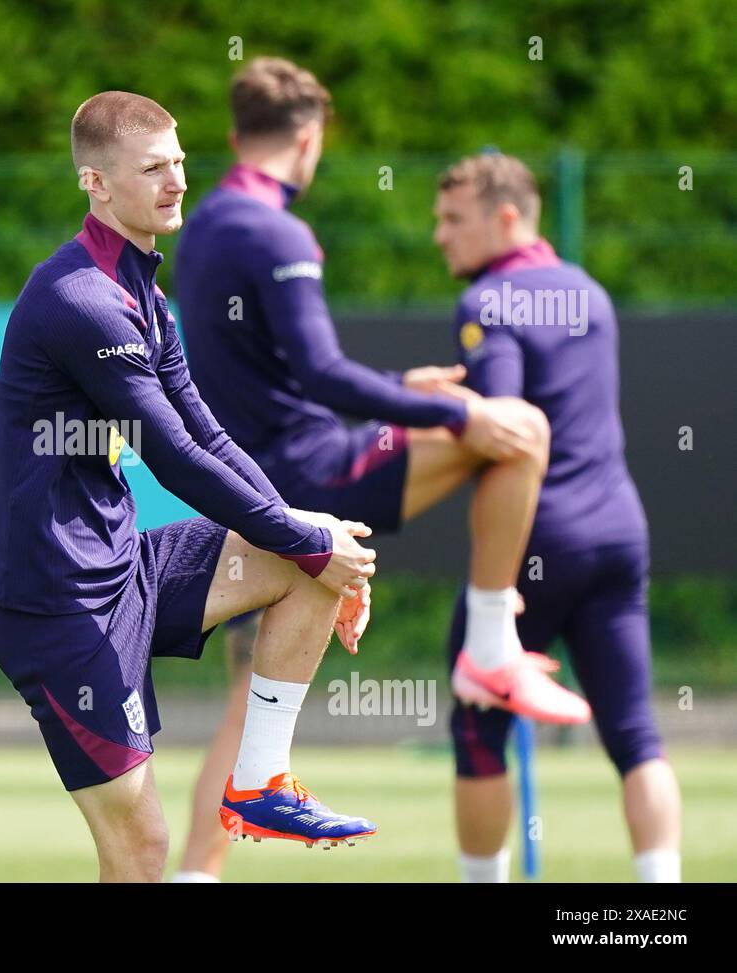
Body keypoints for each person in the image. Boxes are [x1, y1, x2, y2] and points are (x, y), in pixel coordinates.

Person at [173, 57, 589, 883]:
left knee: (248, 703)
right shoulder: (278, 232)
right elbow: (322, 373)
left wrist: (401, 387)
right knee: (520, 431)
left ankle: (193, 875)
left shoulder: (207, 222)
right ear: (309, 137)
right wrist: (458, 413)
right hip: (313, 472)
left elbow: (272, 379)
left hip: (252, 488)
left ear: (234, 135)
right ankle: (490, 643)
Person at [0, 90, 379, 883]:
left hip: (123, 567)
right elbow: (175, 458)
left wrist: (310, 537)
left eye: (180, 162)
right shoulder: (81, 300)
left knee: (312, 552)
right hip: (56, 605)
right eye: (153, 169)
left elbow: (210, 436)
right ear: (95, 183)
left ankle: (260, 782)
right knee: (142, 851)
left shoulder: (145, 297)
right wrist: (305, 540)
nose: (177, 182)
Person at [434, 151, 681, 882]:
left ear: (506, 217)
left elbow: (504, 427)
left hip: (535, 543)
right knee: (636, 735)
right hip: (618, 533)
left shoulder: (489, 302)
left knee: (477, 730)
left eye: (454, 219)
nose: (440, 235)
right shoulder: (590, 293)